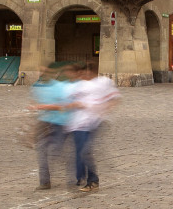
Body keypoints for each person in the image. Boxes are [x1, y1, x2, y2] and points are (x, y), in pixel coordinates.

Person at [66, 63, 118, 192]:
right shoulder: (78, 85)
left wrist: (103, 110)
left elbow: (114, 98)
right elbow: (69, 102)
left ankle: (93, 180)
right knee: (80, 152)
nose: (85, 75)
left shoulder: (102, 83)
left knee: (85, 151)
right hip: (77, 124)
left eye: (87, 72)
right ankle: (81, 177)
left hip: (92, 123)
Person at [29, 62, 76, 190]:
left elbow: (63, 106)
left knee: (58, 152)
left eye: (45, 71)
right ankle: (44, 182)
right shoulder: (39, 86)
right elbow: (36, 101)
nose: (43, 74)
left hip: (60, 123)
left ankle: (73, 178)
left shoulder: (59, 87)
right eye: (41, 71)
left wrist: (42, 106)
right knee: (42, 150)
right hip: (45, 122)